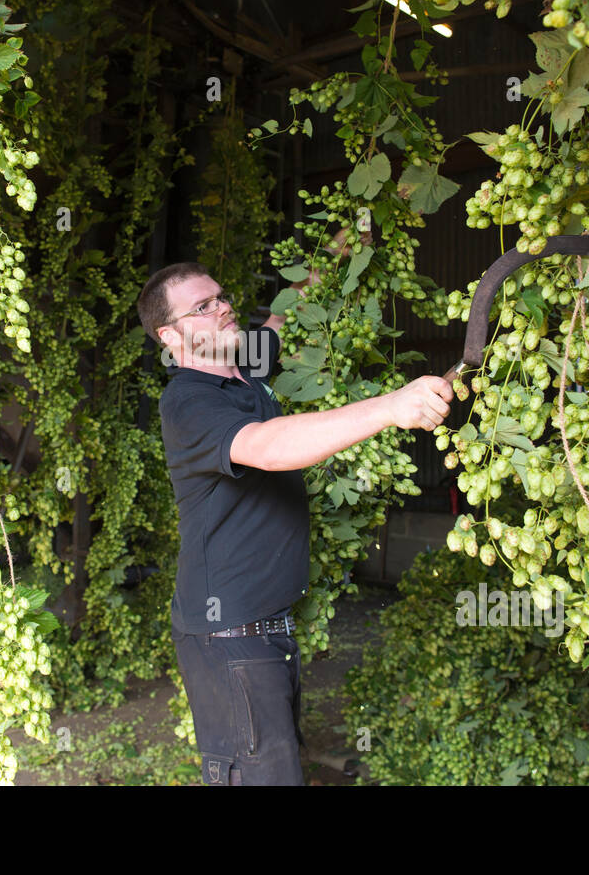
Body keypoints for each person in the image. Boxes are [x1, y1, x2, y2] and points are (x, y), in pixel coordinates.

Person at [135, 250, 454, 786]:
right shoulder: (187, 401)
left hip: (265, 628)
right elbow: (269, 445)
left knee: (278, 768)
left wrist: (343, 244)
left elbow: (287, 312)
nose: (222, 310)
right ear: (170, 337)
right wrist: (391, 407)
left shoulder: (248, 370)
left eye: (222, 298)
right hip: (228, 635)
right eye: (202, 307)